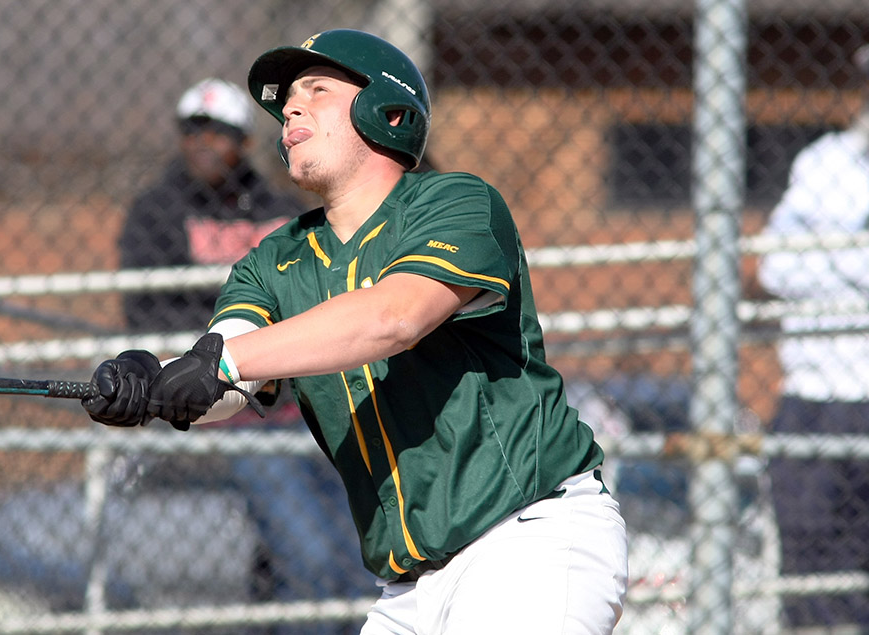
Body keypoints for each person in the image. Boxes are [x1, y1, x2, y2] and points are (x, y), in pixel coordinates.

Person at [84, 29, 628, 634]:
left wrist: (223, 362)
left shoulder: (456, 202)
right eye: (289, 99)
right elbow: (233, 380)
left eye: (317, 90)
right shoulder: (273, 260)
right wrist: (156, 385)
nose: (291, 108)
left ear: (388, 113)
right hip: (409, 588)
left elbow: (395, 318)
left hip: (528, 538)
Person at [756, 43, 869, 630]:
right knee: (807, 555)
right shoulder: (825, 162)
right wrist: (851, 261)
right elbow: (776, 266)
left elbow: (803, 262)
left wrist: (825, 255)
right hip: (815, 393)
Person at [119, 77, 301, 332]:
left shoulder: (281, 209)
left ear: (245, 142)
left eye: (218, 133)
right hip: (186, 345)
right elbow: (144, 307)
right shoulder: (155, 210)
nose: (203, 142)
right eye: (192, 131)